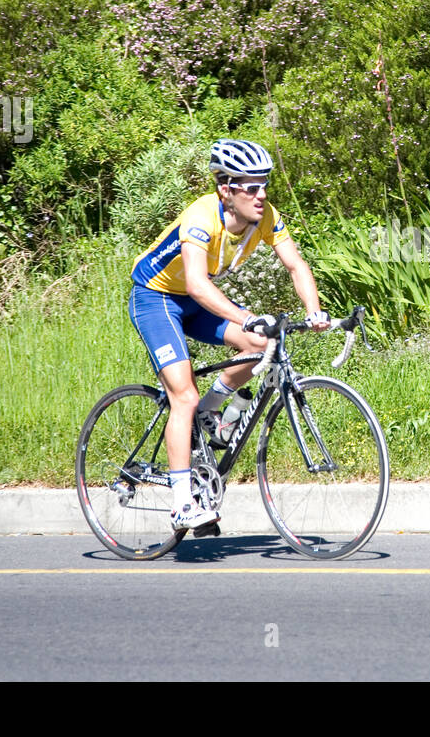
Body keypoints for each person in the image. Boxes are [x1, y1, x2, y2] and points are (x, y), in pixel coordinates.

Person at [127, 138, 329, 530]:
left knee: (262, 345)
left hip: (191, 299)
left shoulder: (265, 215)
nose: (261, 194)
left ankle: (210, 410)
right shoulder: (201, 216)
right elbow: (200, 285)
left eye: (264, 184)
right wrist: (246, 315)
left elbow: (295, 264)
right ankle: (182, 504)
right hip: (155, 298)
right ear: (226, 189)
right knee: (182, 393)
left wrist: (314, 311)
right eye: (251, 186)